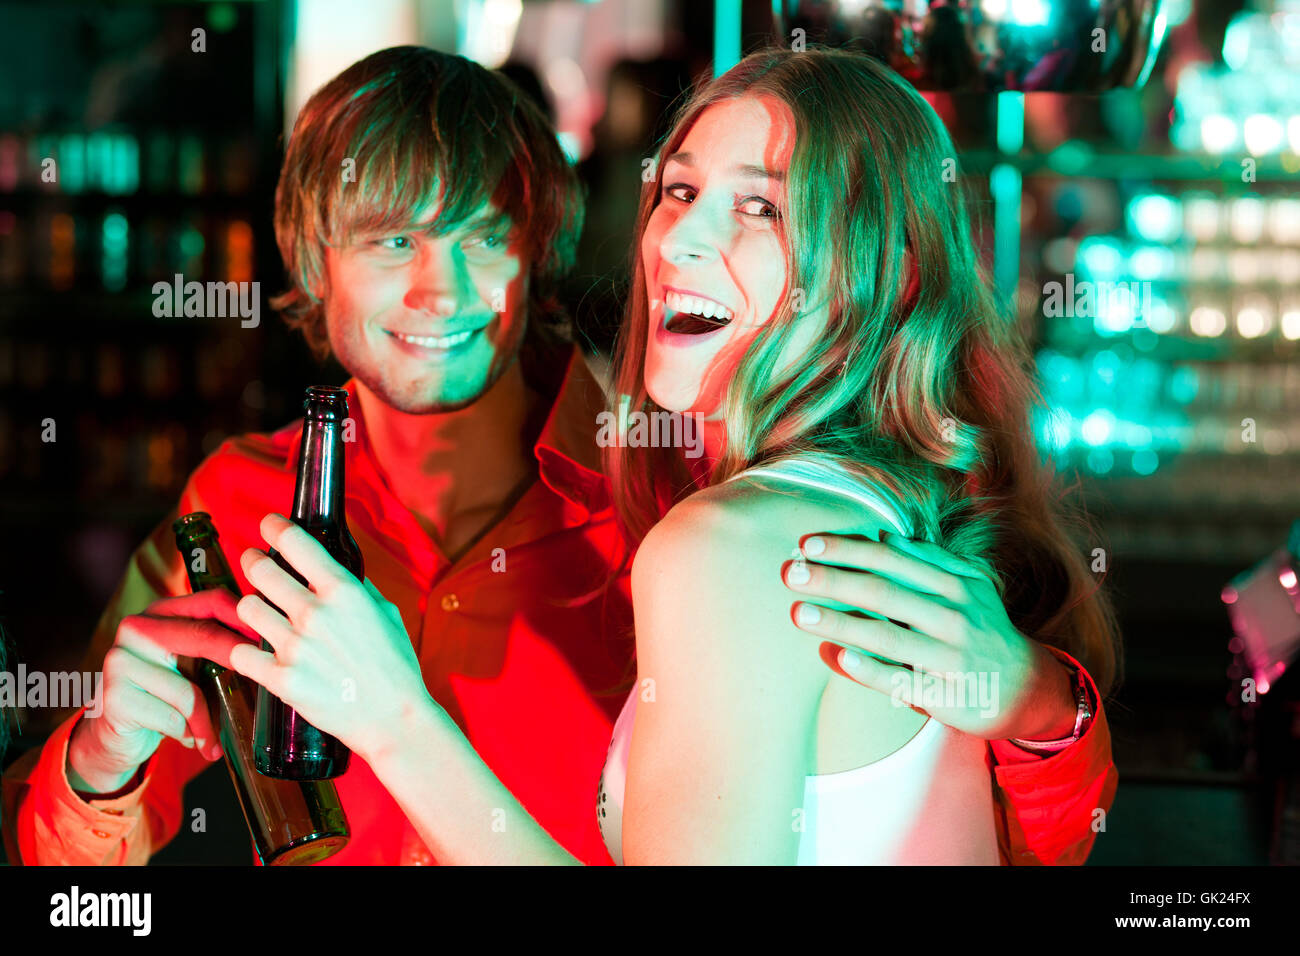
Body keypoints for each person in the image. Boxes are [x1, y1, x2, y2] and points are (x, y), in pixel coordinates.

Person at [2, 46, 1111, 866]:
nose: (438, 292)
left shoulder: (681, 482)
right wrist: (103, 759)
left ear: (538, 254)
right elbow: (68, 881)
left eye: (482, 236)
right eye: (392, 240)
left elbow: (1025, 838)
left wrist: (1028, 701)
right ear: (311, 260)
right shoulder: (239, 504)